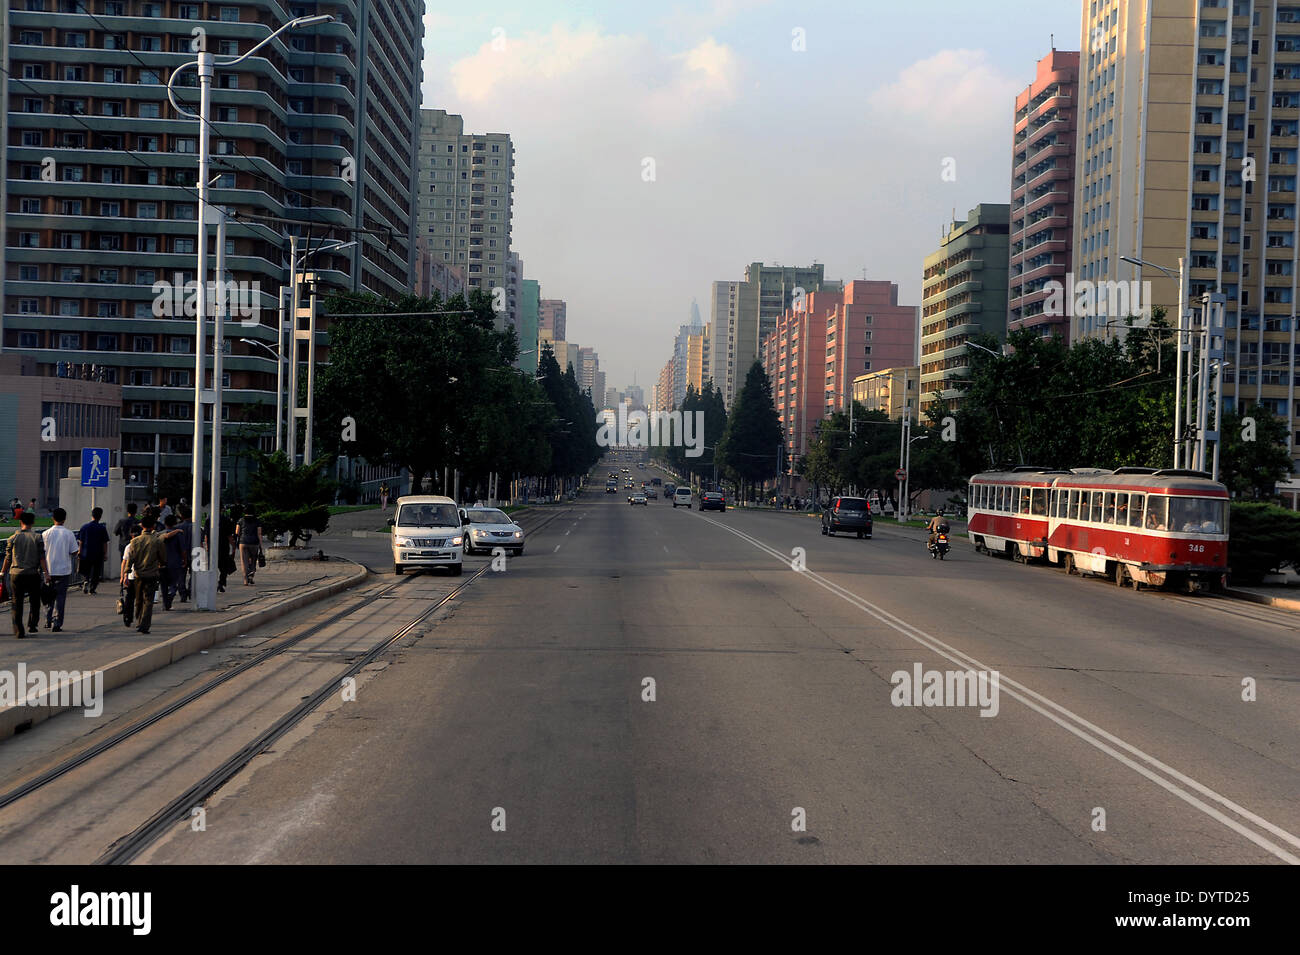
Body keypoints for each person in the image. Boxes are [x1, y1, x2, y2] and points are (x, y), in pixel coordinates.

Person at [3, 512, 49, 638]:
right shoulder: (38, 537)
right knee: (34, 601)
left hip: (15, 574)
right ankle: (32, 624)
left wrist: (2, 572)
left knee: (16, 602)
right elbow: (42, 558)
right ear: (32, 523)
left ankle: (18, 630)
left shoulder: (12, 538)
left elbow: (8, 558)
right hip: (32, 573)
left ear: (20, 522)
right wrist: (46, 573)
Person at [123, 518, 166, 634]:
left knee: (139, 600)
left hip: (138, 575)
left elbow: (130, 559)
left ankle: (139, 621)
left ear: (142, 526)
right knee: (148, 600)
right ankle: (144, 625)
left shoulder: (135, 541)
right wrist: (161, 564)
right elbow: (162, 557)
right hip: (152, 574)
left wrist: (126, 573)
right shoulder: (157, 541)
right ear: (153, 527)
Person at [42, 507, 80, 632]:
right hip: (63, 570)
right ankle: (57, 622)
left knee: (48, 596)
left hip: (48, 570)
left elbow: (41, 553)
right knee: (60, 597)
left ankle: (48, 620)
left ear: (53, 518)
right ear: (64, 519)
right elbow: (74, 552)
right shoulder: (68, 533)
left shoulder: (45, 534)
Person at [77, 506, 110, 595]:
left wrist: (80, 551)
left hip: (86, 552)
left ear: (92, 515)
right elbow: (104, 542)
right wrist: (105, 554)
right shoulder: (102, 528)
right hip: (98, 553)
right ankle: (92, 589)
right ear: (100, 516)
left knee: (85, 569)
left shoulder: (84, 527)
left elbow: (81, 541)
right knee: (96, 572)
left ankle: (86, 580)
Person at [160, 514, 187, 611]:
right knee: (173, 584)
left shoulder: (160, 534)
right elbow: (183, 550)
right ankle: (170, 597)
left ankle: (165, 604)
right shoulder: (179, 534)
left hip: (162, 563)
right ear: (175, 523)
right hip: (175, 563)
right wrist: (185, 560)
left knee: (163, 585)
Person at [236, 506, 263, 586]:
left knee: (244, 561)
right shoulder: (257, 521)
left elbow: (237, 532)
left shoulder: (240, 520)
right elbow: (259, 534)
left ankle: (245, 580)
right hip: (254, 542)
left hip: (243, 542)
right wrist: (260, 545)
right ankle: (251, 575)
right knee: (253, 559)